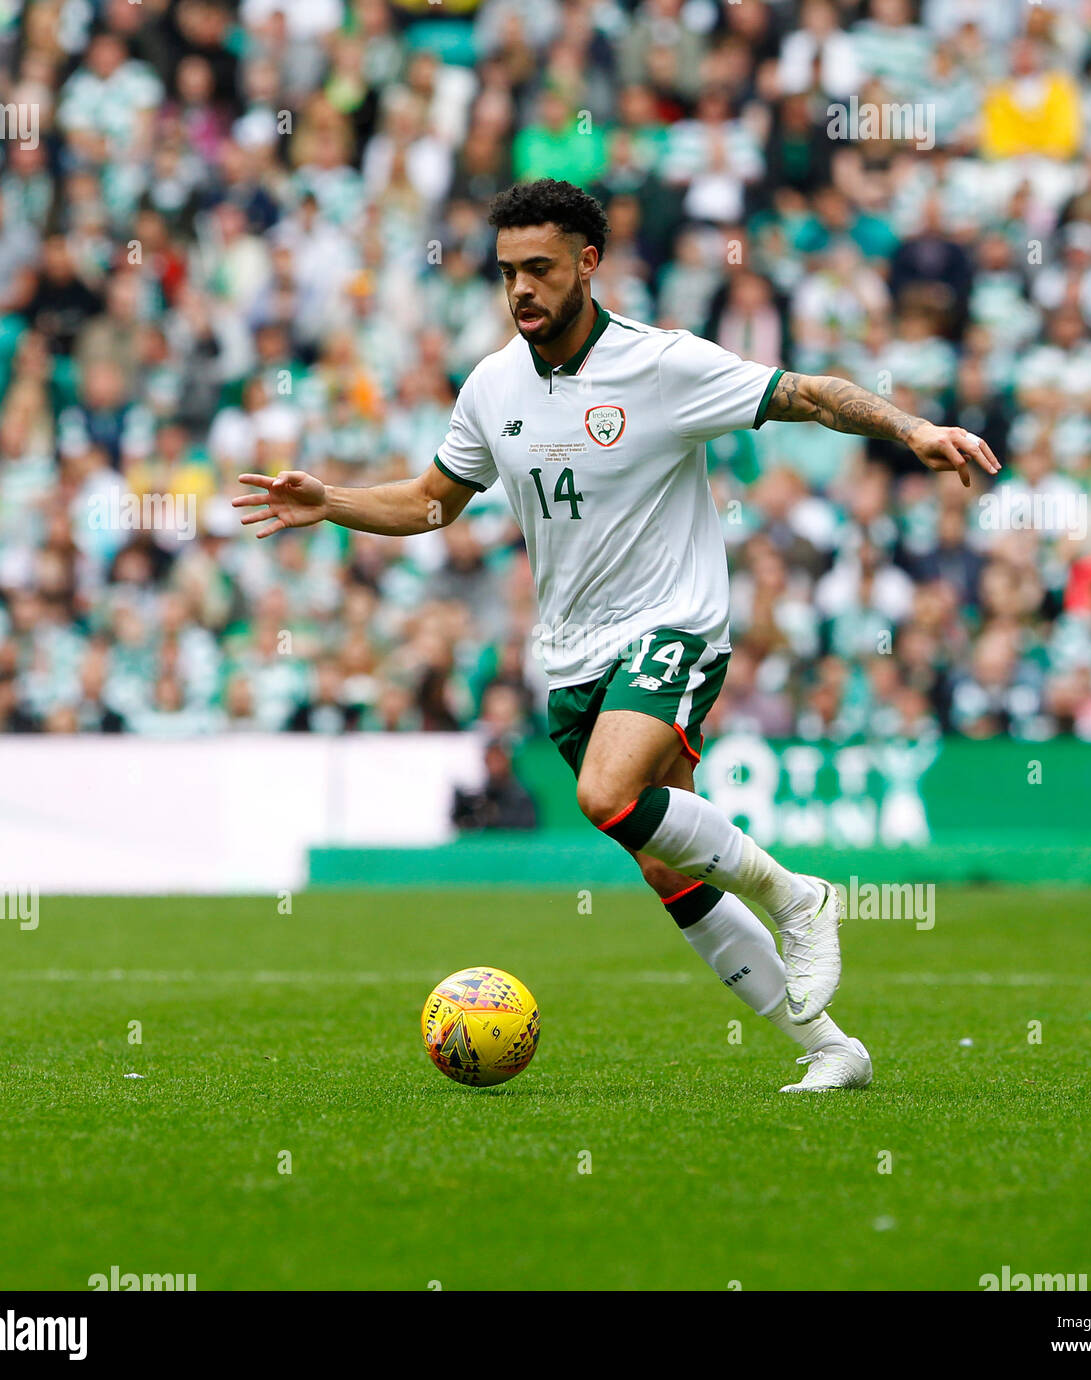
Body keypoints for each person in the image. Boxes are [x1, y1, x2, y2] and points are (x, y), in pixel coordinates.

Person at [234, 180, 1000, 1093]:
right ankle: (832, 1049)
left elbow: (812, 394)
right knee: (665, 867)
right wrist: (333, 504)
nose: (521, 288)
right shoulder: (491, 387)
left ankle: (802, 898)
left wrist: (912, 428)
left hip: (674, 623)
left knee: (607, 794)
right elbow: (433, 503)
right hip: (570, 656)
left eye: (541, 269)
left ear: (587, 265)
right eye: (508, 271)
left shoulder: (661, 365)